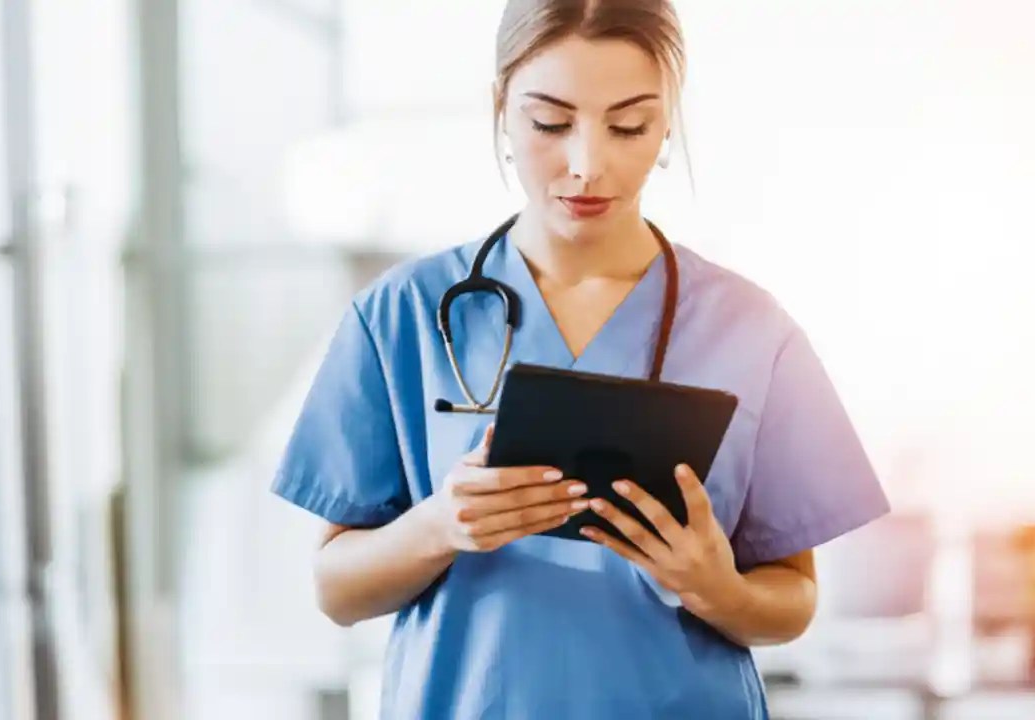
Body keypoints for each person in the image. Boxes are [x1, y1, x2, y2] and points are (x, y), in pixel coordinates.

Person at [271, 1, 889, 717]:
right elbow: (336, 590)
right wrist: (440, 525)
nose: (587, 165)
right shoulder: (400, 317)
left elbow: (793, 598)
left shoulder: (752, 331)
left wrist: (717, 586)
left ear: (667, 123)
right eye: (550, 123)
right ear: (502, 110)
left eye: (628, 125)